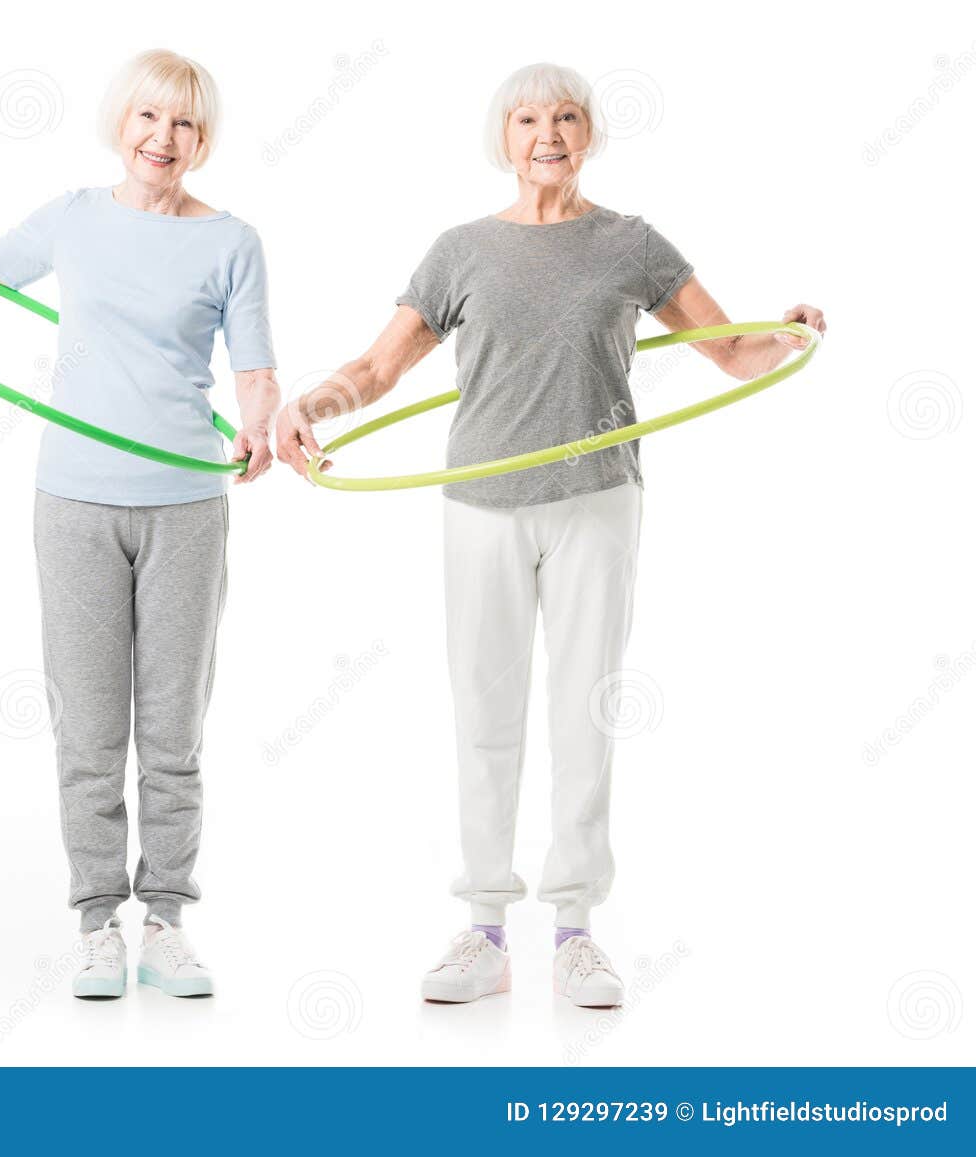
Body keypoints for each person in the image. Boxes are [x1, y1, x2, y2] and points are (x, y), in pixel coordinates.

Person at [275, 61, 825, 1008]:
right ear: (503, 137)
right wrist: (313, 406)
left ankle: (574, 928)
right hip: (480, 506)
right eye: (528, 117)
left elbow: (731, 351)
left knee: (584, 713)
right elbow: (376, 367)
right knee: (485, 717)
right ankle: (485, 928)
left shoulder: (631, 243)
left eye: (567, 116)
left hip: (595, 502)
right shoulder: (461, 251)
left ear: (590, 134)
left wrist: (791, 334)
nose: (548, 133)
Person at [0, 48, 279, 1000]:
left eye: (186, 125)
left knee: (171, 730)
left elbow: (254, 372)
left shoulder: (232, 240)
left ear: (205, 139)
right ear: (123, 121)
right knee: (86, 724)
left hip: (187, 506)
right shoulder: (73, 219)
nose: (164, 139)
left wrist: (261, 429)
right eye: (150, 118)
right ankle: (95, 926)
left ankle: (165, 920)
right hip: (74, 501)